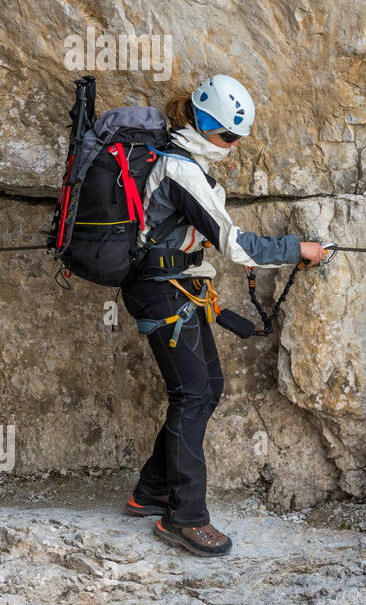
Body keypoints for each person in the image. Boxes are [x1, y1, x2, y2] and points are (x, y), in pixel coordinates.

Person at [119, 74, 325, 557]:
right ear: (206, 124)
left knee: (205, 389)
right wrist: (301, 248)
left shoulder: (182, 157)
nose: (232, 147)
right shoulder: (181, 170)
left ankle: (150, 490)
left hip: (174, 289)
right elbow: (235, 246)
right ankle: (184, 518)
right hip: (161, 293)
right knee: (192, 395)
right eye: (229, 136)